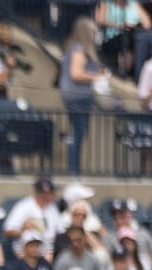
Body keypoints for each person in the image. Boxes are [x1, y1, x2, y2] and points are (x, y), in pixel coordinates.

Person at [60, 17, 107, 177]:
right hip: (77, 97)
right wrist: (96, 77)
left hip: (79, 96)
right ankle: (74, 171)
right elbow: (76, 73)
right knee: (79, 134)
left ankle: (75, 170)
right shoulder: (78, 49)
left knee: (79, 133)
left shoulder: (77, 49)